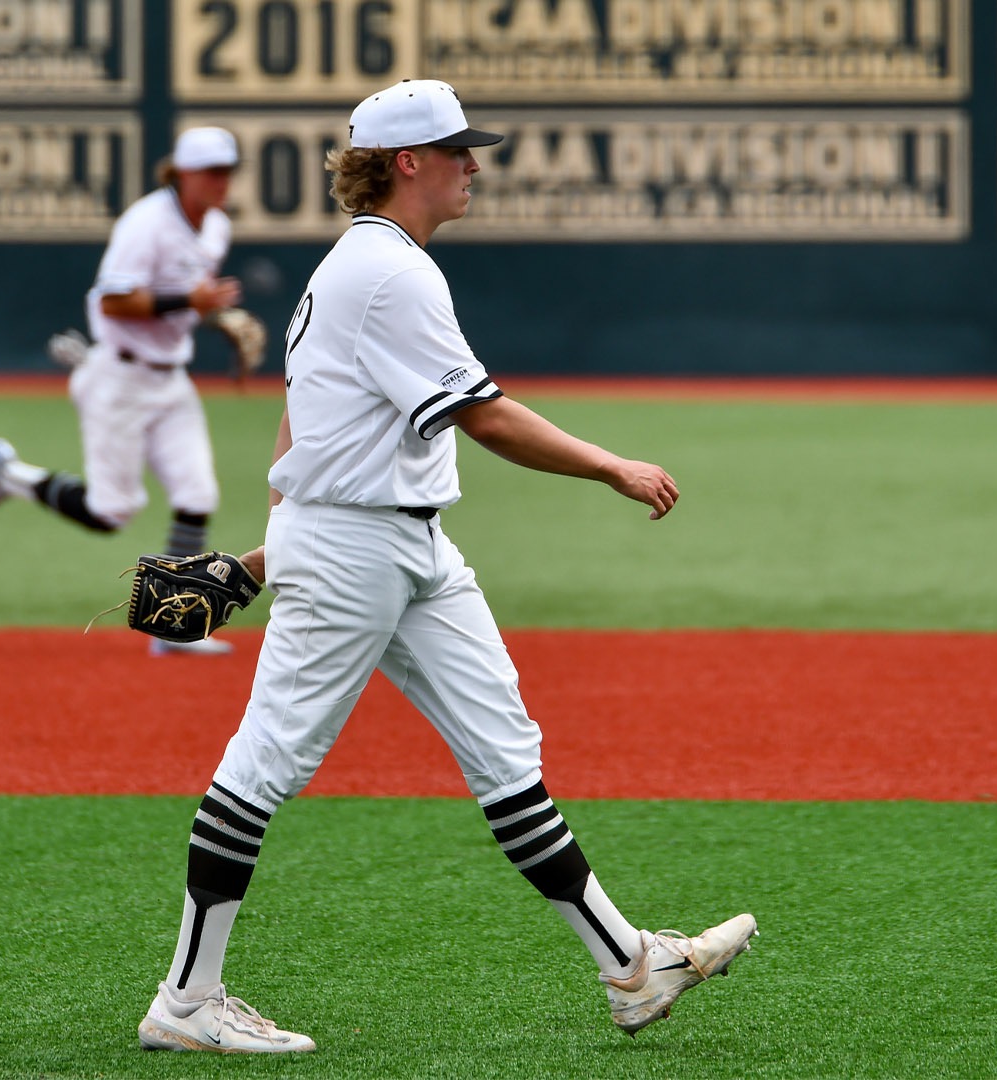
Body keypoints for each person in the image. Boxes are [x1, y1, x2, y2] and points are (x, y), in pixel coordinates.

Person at [134, 80, 755, 1055]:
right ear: (408, 162)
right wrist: (610, 465)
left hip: (406, 540)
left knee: (506, 749)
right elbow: (486, 415)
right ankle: (186, 999)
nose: (475, 163)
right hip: (356, 546)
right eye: (459, 149)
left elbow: (312, 423)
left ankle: (633, 968)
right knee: (266, 762)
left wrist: (268, 551)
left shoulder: (369, 266)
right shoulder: (389, 272)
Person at [0, 126, 247, 656]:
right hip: (120, 377)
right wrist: (189, 300)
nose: (221, 181)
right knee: (111, 512)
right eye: (211, 171)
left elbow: (183, 303)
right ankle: (9, 475)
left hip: (170, 376)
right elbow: (115, 302)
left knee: (197, 495)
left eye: (228, 170)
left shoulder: (217, 228)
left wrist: (214, 318)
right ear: (182, 172)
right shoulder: (147, 223)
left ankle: (171, 630)